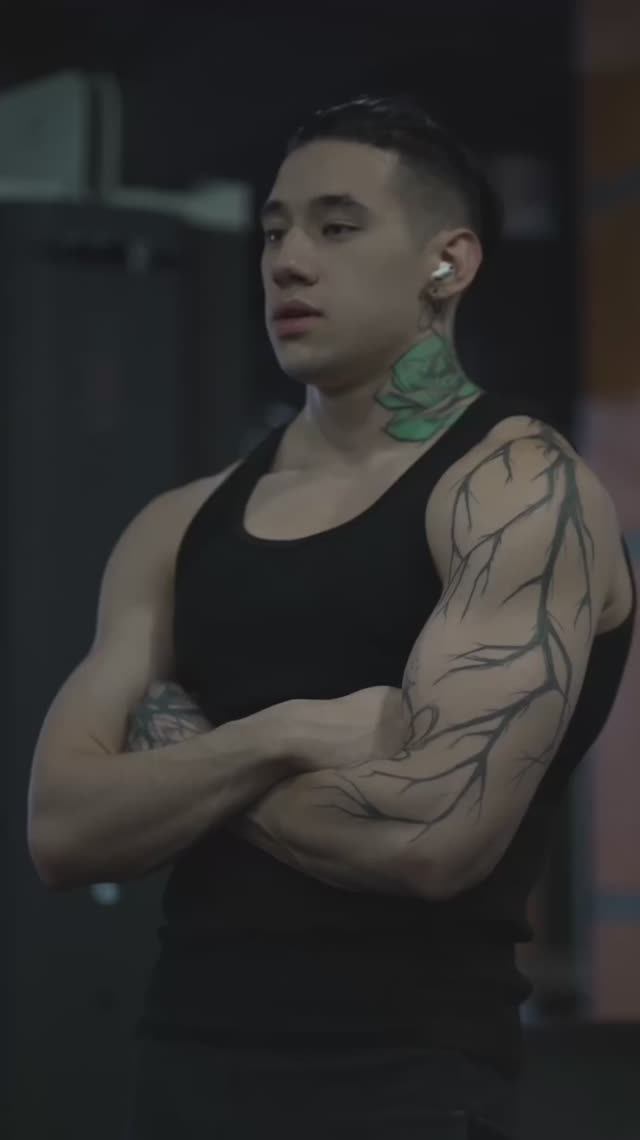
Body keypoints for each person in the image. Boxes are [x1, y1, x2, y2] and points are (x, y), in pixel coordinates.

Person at [28, 94, 636, 1140]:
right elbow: (61, 827)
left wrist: (181, 752)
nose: (289, 262)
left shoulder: (517, 494)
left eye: (336, 226)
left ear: (446, 263)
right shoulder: (178, 525)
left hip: (403, 1086)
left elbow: (431, 839)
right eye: (275, 232)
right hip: (181, 1070)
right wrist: (277, 735)